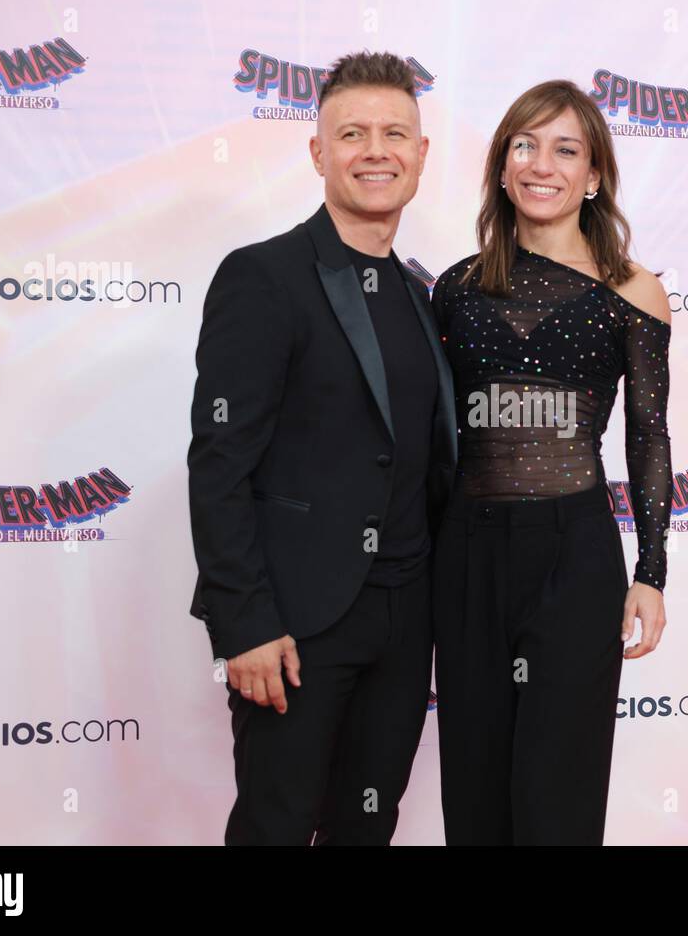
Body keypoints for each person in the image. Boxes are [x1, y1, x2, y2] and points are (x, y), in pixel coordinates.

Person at [186, 50, 456, 845]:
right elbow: (220, 461)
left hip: (405, 624)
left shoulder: (419, 293)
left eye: (394, 134)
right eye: (353, 133)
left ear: (421, 155)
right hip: (296, 629)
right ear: (318, 154)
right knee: (276, 826)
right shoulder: (264, 277)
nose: (377, 150)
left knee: (365, 829)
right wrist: (243, 623)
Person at [430, 80, 673, 845]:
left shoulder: (634, 291)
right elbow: (433, 437)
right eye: (524, 145)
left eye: (566, 149)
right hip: (466, 555)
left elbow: (649, 436)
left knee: (556, 795)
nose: (543, 165)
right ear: (502, 167)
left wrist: (652, 571)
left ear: (594, 176)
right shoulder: (455, 288)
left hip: (576, 557)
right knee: (475, 790)